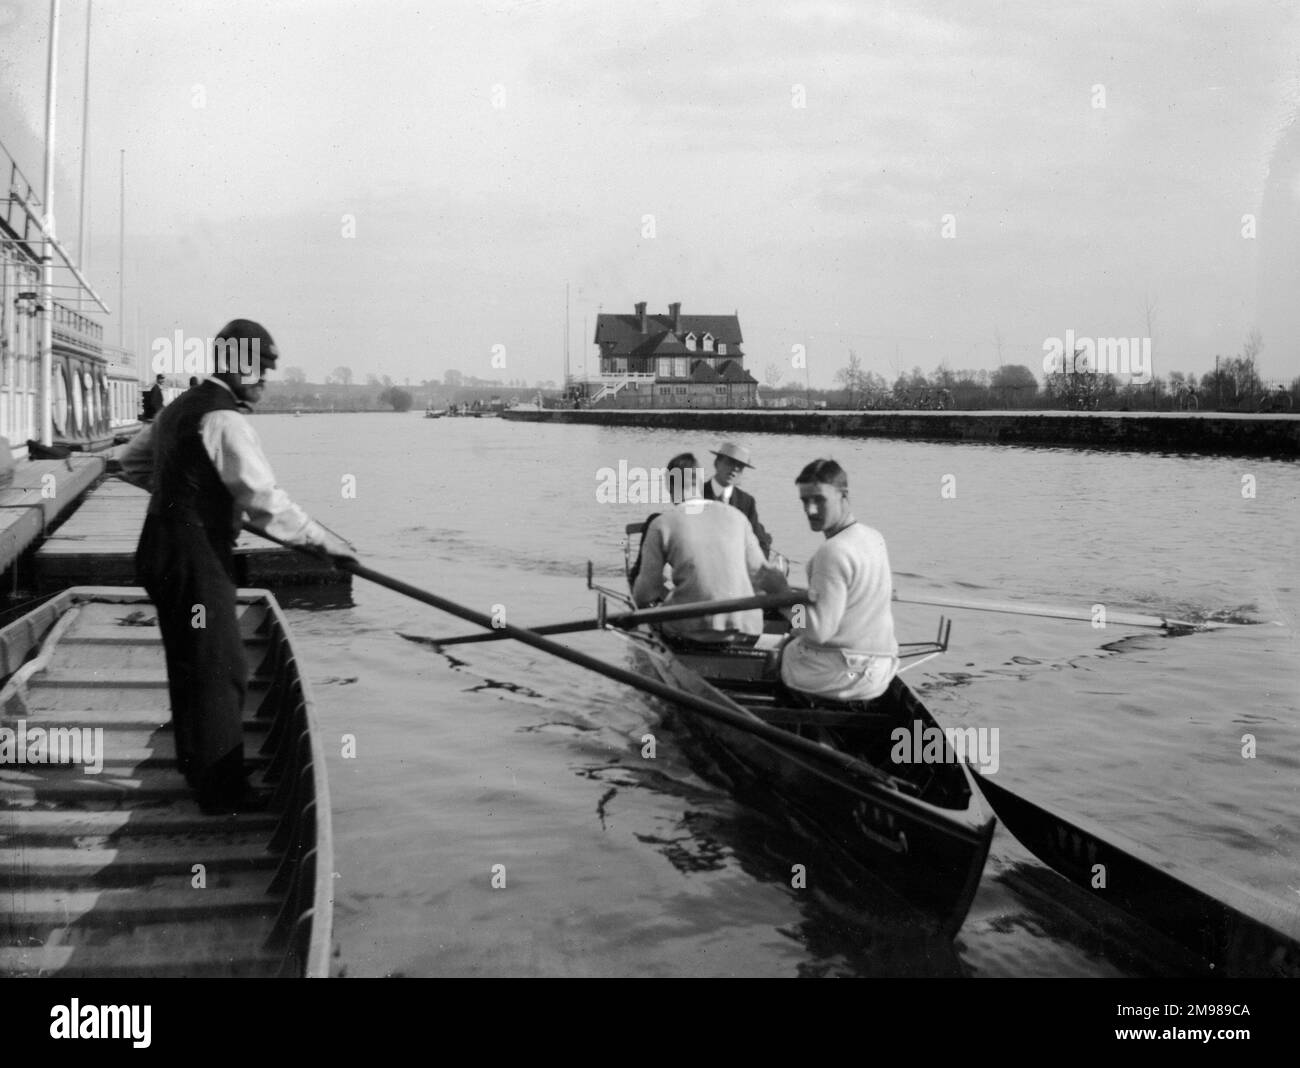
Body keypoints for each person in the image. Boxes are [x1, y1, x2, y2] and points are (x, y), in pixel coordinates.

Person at [134, 319, 354, 814]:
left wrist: (186, 495)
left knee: (189, 660)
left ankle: (198, 768)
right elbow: (263, 501)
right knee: (221, 668)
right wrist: (327, 545)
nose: (263, 380)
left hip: (158, 548)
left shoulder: (175, 412)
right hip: (196, 554)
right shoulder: (225, 420)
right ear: (234, 365)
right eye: (258, 369)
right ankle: (221, 793)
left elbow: (131, 464)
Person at [631, 453, 785, 643]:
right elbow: (768, 578)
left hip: (689, 631)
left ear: (670, 488)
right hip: (747, 629)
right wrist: (799, 623)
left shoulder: (661, 524)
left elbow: (645, 594)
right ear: (701, 481)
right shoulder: (738, 517)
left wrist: (653, 604)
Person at [780, 459, 898, 703]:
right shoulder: (874, 537)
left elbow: (817, 632)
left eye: (819, 500)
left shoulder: (832, 552)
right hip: (880, 673)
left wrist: (781, 597)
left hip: (841, 678)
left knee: (781, 653)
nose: (810, 510)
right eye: (804, 501)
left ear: (844, 496)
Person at [703, 441, 772, 558]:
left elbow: (760, 543)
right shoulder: (697, 495)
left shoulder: (747, 501)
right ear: (717, 463)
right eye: (730, 463)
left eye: (740, 466)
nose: (734, 469)